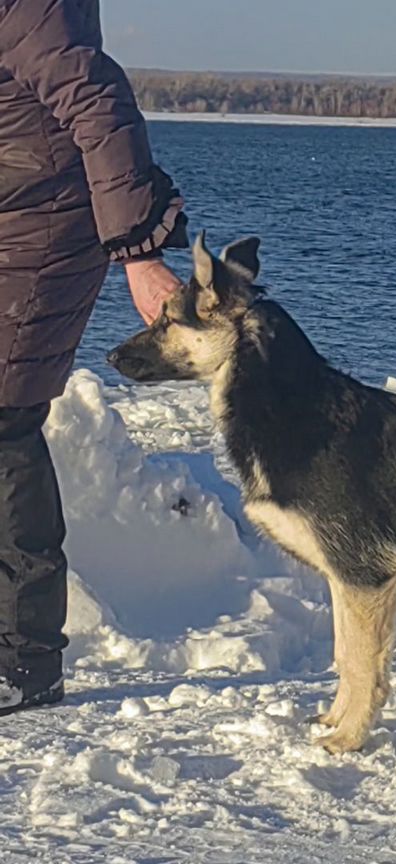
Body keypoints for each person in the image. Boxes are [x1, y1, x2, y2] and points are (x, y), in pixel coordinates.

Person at [0, 0, 188, 714]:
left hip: (40, 231)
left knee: (5, 425)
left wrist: (138, 250)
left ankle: (25, 664)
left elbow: (97, 103)